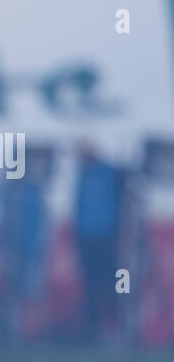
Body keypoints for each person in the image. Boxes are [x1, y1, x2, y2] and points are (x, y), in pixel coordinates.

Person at [73, 141, 124, 343]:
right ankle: (91, 328)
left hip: (107, 237)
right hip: (87, 238)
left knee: (109, 283)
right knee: (91, 284)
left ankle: (111, 326)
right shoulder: (83, 175)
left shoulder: (110, 172)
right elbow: (78, 205)